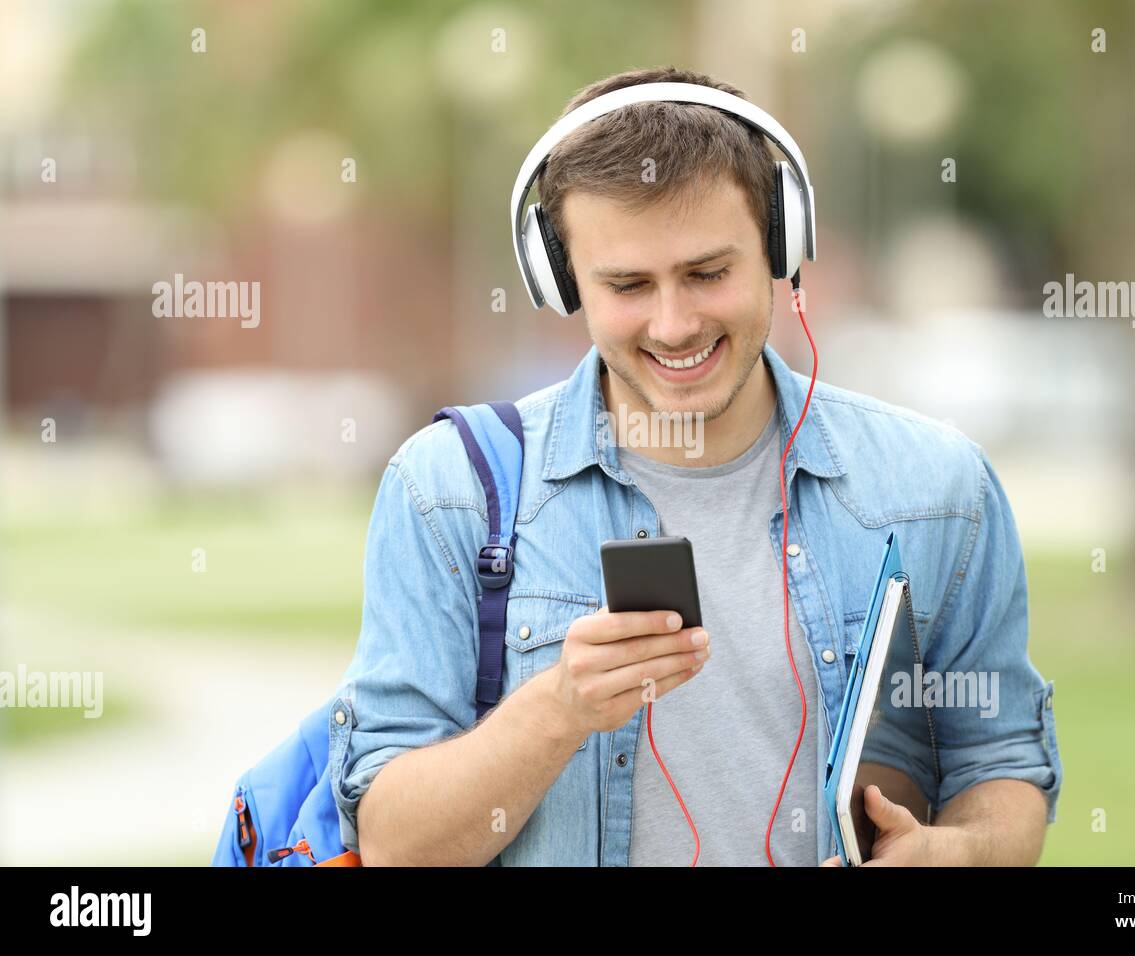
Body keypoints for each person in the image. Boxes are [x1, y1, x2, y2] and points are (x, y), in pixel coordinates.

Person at [328, 66, 1062, 867]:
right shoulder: (447, 494)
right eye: (628, 285)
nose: (674, 325)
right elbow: (396, 847)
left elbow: (1003, 770)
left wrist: (957, 856)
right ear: (562, 278)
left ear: (783, 245)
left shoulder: (938, 490)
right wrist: (558, 712)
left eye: (708, 274)